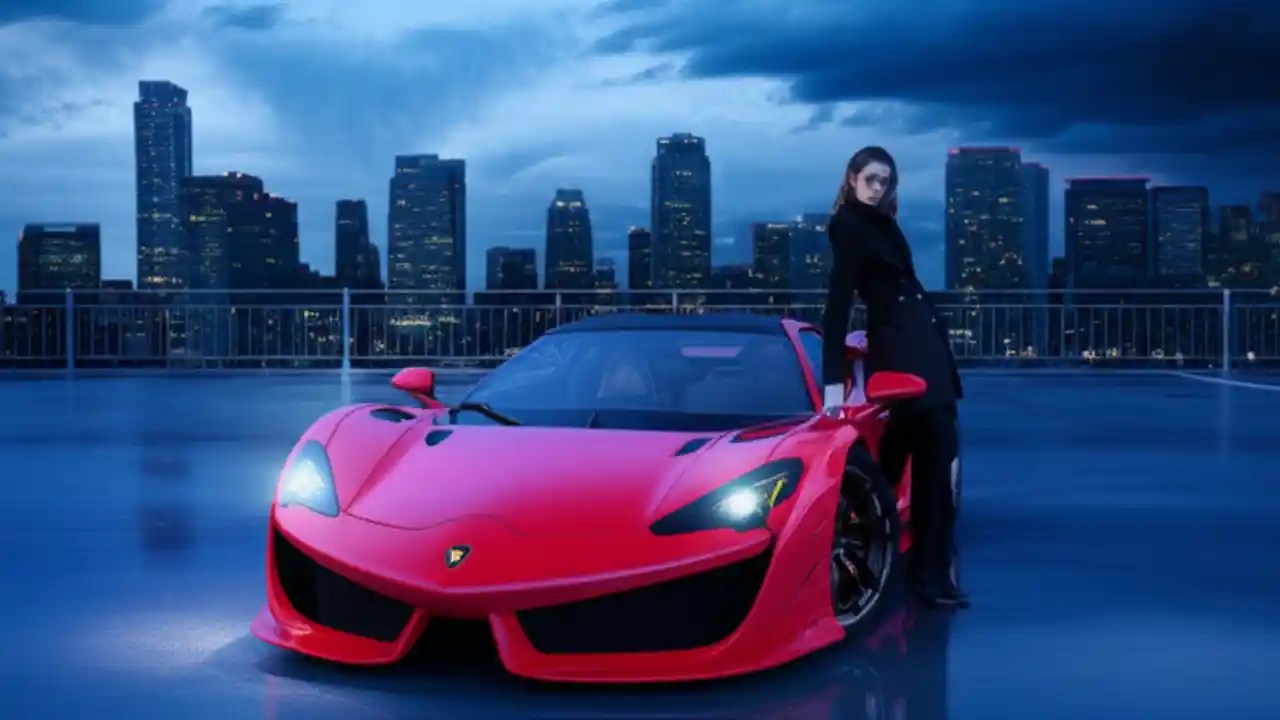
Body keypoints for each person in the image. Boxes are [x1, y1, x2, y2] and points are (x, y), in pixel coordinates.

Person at [820, 145, 969, 609]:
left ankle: (892, 550)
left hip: (922, 346)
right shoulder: (848, 225)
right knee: (934, 457)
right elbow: (839, 303)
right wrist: (831, 384)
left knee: (914, 454)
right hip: (905, 352)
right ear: (850, 178)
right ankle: (928, 578)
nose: (878, 188)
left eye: (885, 181)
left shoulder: (884, 222)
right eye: (871, 180)